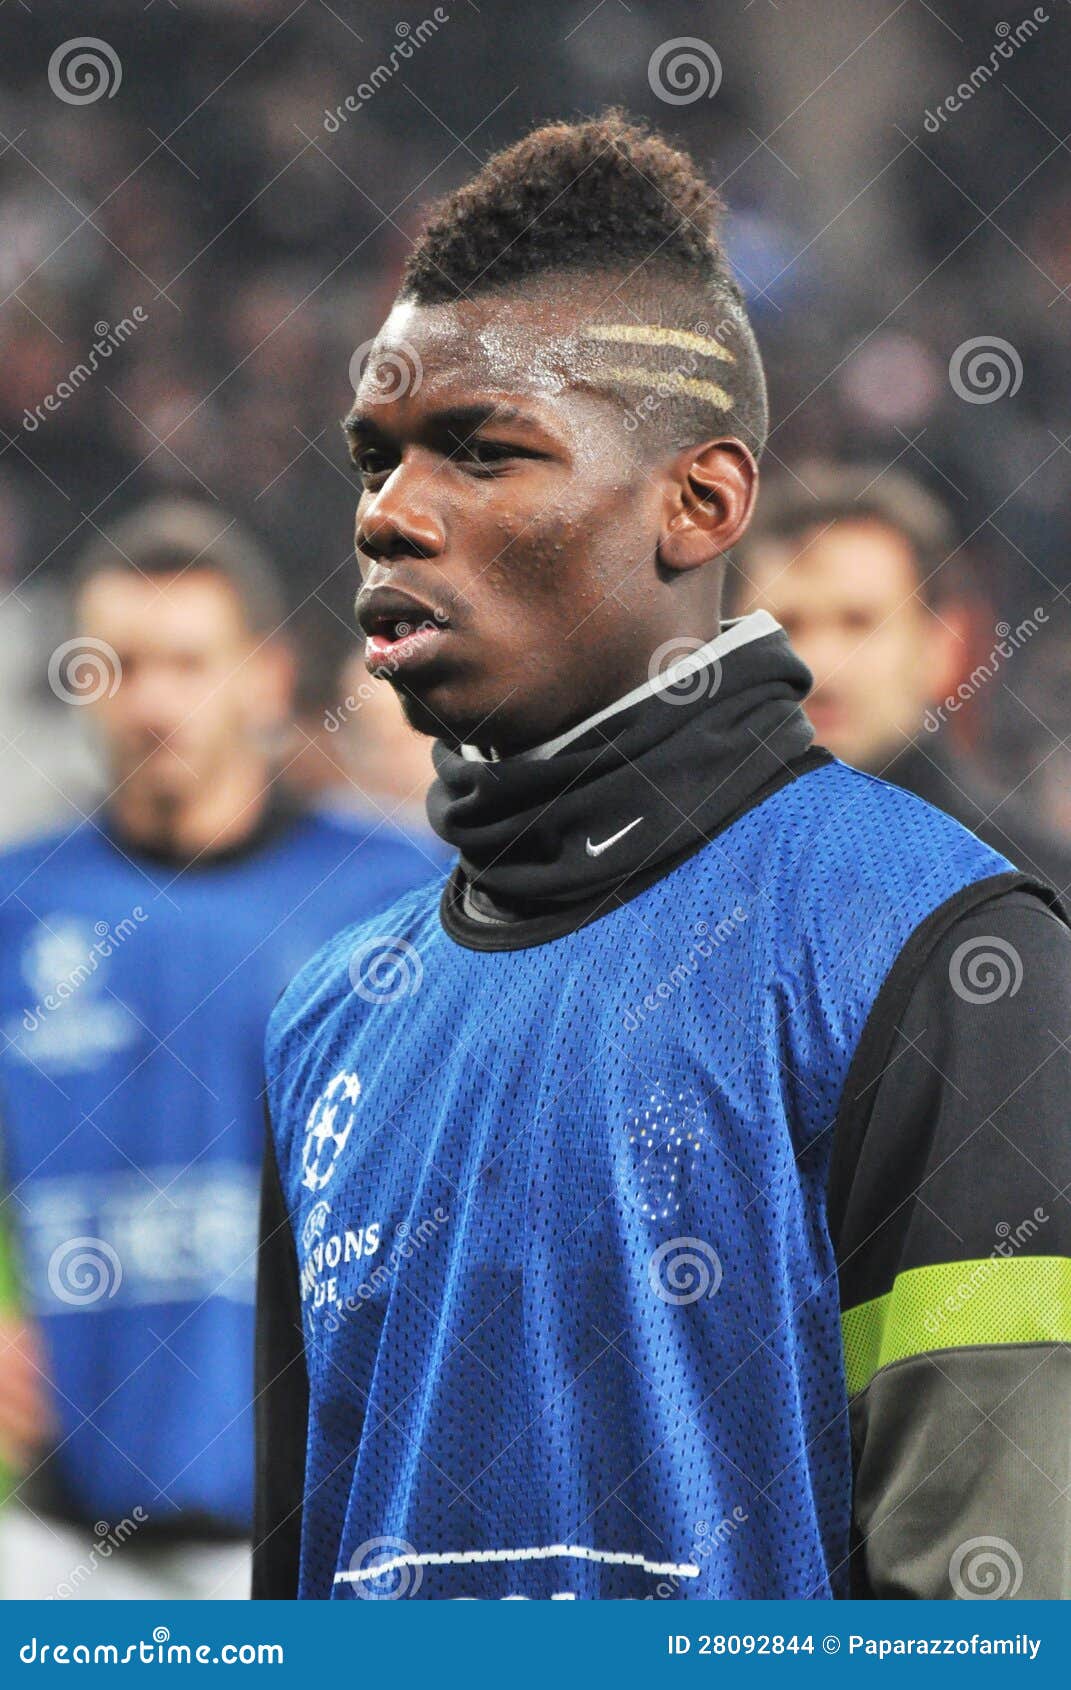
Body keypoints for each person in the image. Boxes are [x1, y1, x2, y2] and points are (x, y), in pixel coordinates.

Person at [254, 114, 1071, 1601]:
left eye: (481, 451)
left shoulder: (940, 949)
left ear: (699, 504)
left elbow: (996, 1610)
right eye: (374, 457)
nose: (388, 512)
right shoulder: (330, 1019)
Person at [0, 499, 440, 1599]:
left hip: (329, 1546)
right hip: (59, 1541)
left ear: (266, 677)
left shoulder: (399, 898)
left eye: (190, 663)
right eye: (120, 666)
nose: (154, 703)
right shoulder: (19, 906)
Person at [733, 464, 1071, 894]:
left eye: (858, 622)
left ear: (944, 647)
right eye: (787, 626)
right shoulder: (685, 880)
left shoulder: (1032, 892)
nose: (819, 666)